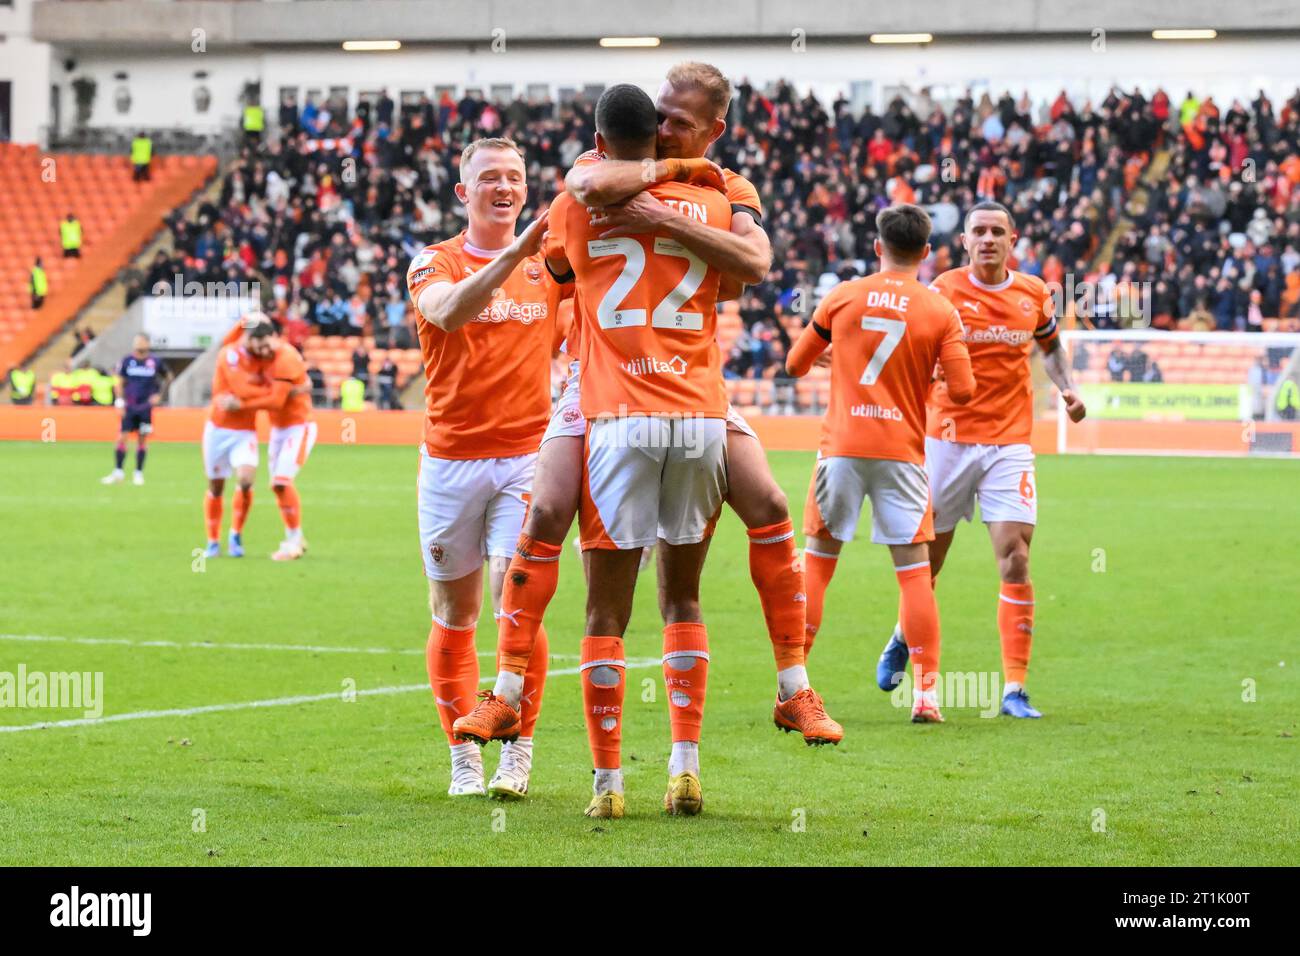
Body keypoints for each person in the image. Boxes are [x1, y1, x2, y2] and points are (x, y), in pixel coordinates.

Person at [457, 61, 841, 764]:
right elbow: (590, 189)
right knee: (545, 514)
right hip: (599, 381)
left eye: (679, 123)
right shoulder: (665, 181)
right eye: (658, 116)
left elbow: (748, 268)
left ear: (714, 130)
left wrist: (665, 205)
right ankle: (508, 689)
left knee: (767, 501)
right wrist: (681, 184)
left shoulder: (722, 185)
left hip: (687, 387)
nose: (663, 130)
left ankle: (791, 685)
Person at [473, 84, 732, 820]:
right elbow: (743, 273)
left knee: (602, 612)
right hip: (700, 414)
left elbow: (558, 273)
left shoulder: (571, 204)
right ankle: (688, 766)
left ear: (595, 135)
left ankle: (606, 785)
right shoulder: (715, 195)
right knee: (686, 593)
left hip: (617, 411)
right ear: (661, 131)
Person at [875, 201, 1087, 719]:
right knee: (929, 562)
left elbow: (1052, 347)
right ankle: (903, 634)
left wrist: (1069, 389)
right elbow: (913, 353)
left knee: (1015, 556)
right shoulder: (942, 290)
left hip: (1009, 442)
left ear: (1013, 239)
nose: (988, 239)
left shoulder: (1034, 293)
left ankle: (1015, 690)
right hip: (945, 440)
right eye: (978, 232)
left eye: (997, 231)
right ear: (964, 241)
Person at [406, 137, 569, 800]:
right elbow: (448, 311)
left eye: (514, 178)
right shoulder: (433, 263)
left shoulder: (552, 269)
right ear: (462, 192)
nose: (503, 187)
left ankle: (517, 750)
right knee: (453, 611)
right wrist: (514, 255)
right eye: (489, 178)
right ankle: (462, 755)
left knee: (515, 594)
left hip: (525, 457)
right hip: (449, 459)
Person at [789, 204, 974, 722]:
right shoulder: (939, 310)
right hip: (901, 453)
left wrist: (835, 356)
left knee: (819, 566)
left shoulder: (843, 295)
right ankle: (926, 697)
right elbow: (963, 390)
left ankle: (795, 684)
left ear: (877, 247)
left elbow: (794, 363)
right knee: (914, 575)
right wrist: (928, 376)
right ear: (927, 253)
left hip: (842, 448)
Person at [201, 317, 288, 558]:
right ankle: (212, 540)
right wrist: (270, 393)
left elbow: (264, 392)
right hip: (218, 429)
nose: (264, 351)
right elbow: (241, 389)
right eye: (259, 345)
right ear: (249, 339)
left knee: (247, 479)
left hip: (245, 430)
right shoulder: (230, 354)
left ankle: (235, 535)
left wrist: (255, 399)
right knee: (216, 487)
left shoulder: (264, 359)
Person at [101, 335, 164, 486]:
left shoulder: (155, 362)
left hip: (145, 408)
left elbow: (168, 377)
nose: (138, 344)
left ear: (147, 343)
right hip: (129, 406)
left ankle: (138, 473)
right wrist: (120, 402)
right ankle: (118, 472)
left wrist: (159, 395)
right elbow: (119, 382)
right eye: (136, 341)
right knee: (122, 436)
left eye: (141, 341)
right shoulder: (127, 361)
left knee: (142, 438)